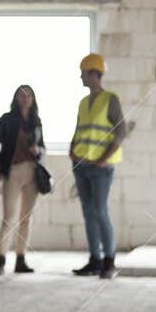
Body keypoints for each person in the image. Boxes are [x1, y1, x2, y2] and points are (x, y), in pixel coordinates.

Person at [68, 53, 130, 280]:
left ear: (94, 74)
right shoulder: (84, 102)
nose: (81, 77)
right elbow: (79, 129)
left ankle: (109, 261)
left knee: (100, 211)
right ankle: (94, 260)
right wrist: (71, 150)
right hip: (81, 165)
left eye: (83, 73)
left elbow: (121, 131)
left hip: (101, 168)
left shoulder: (110, 99)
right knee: (88, 212)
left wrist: (105, 157)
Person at [0, 84, 45, 276]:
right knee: (9, 217)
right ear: (16, 99)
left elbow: (42, 147)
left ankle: (21, 259)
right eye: (21, 95)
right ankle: (1, 261)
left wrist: (39, 151)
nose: (25, 98)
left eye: (29, 95)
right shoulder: (7, 120)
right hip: (13, 172)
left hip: (32, 173)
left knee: (26, 218)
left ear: (33, 99)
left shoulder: (36, 121)